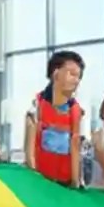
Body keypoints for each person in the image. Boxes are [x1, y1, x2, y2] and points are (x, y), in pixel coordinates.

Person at [25, 50, 85, 186]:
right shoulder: (37, 106)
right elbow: (29, 150)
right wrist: (33, 176)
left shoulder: (75, 110)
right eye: (72, 74)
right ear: (55, 73)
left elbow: (75, 146)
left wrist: (75, 182)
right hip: (40, 179)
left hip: (64, 182)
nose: (76, 80)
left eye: (79, 77)